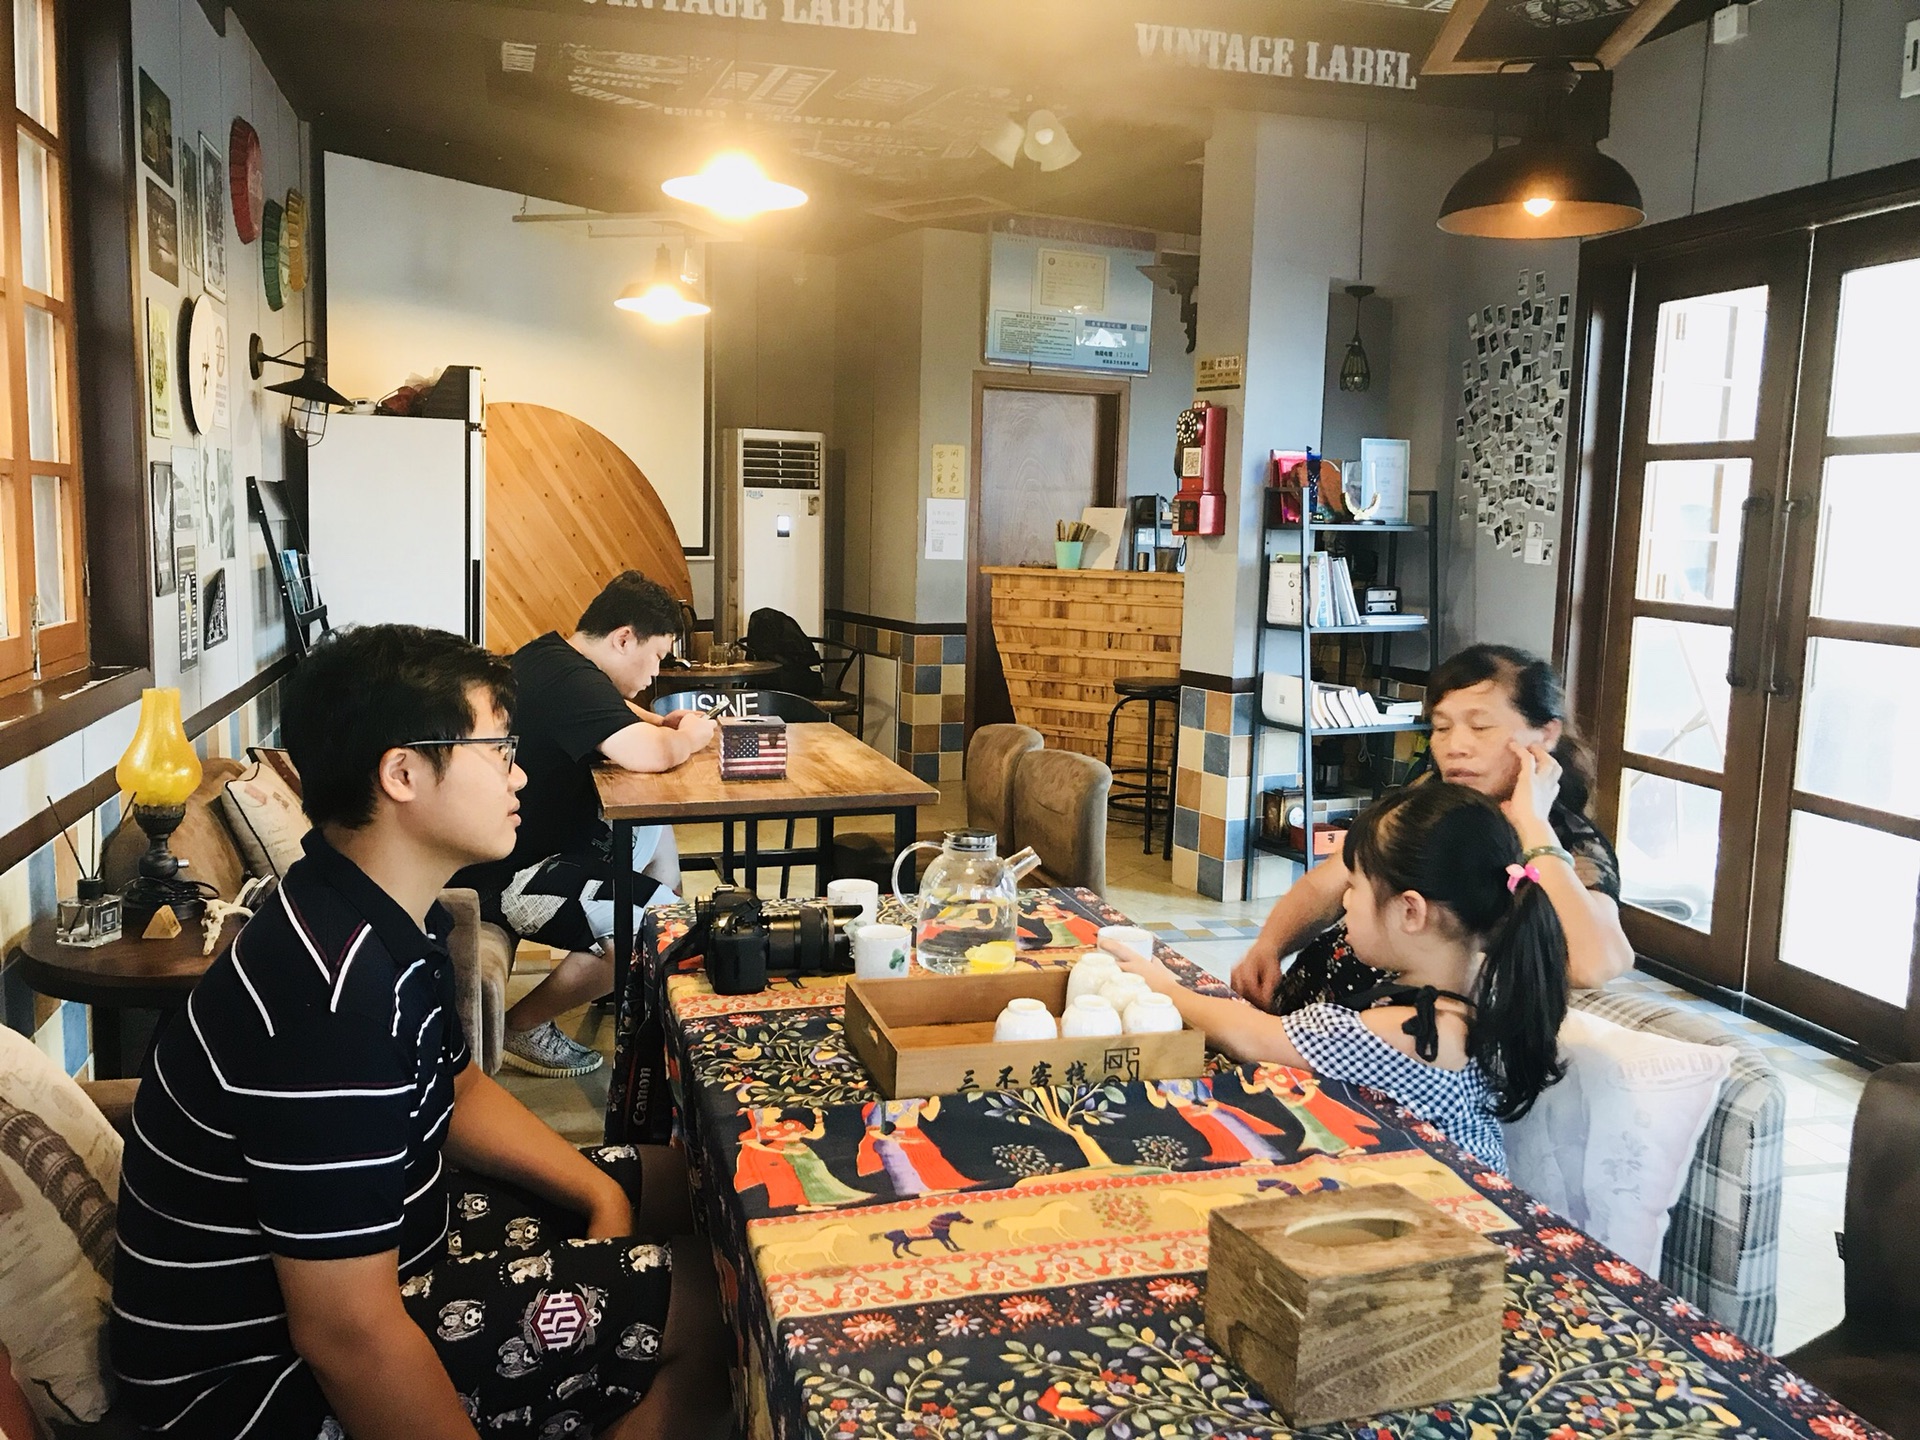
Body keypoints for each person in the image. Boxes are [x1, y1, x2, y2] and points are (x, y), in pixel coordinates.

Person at [111, 625, 731, 1440]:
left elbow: (457, 1087)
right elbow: (347, 1336)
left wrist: (599, 1192)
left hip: (408, 1245)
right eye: (499, 750)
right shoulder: (332, 1002)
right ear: (401, 773)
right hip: (256, 1389)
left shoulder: (379, 913)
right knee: (710, 1301)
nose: (520, 774)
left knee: (696, 1181)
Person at [1105, 783, 1568, 1171]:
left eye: (1356, 887)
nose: (1345, 903)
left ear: (1411, 911)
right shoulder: (1478, 998)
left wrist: (1164, 987)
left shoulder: (1414, 1035)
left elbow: (1254, 1036)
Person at [1232, 644, 1631, 1014]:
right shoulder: (1429, 798)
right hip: (1316, 1008)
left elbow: (1594, 963)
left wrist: (1532, 824)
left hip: (1393, 1032)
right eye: (1441, 728)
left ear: (1546, 734)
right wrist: (1270, 945)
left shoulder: (1567, 840)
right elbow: (1327, 884)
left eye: (1480, 727)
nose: (1455, 746)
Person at [456, 572, 717, 1078]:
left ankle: (633, 978)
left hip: (530, 846)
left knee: (655, 833)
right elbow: (651, 754)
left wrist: (660, 722)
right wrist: (692, 733)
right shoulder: (570, 681)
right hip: (510, 875)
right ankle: (520, 1028)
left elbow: (617, 711)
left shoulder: (552, 657)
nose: (656, 673)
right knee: (660, 922)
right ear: (624, 638)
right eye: (657, 656)